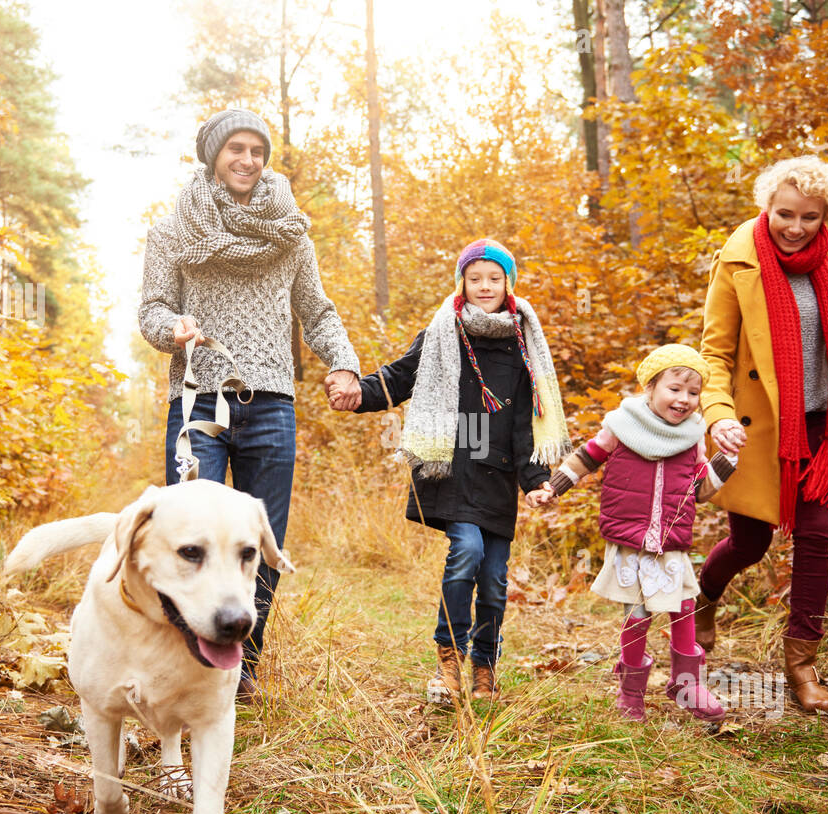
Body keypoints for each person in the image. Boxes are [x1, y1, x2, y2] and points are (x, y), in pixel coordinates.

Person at [138, 108, 362, 702]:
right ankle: (187, 662)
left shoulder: (290, 234)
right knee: (189, 532)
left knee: (260, 543)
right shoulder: (174, 231)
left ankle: (240, 669)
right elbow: (151, 311)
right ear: (213, 154)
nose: (247, 160)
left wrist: (344, 363)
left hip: (271, 407)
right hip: (198, 401)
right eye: (235, 148)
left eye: (257, 151)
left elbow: (317, 312)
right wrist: (175, 327)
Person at [331, 239, 570, 702]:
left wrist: (536, 480)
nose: (484, 286)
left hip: (498, 474)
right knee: (466, 551)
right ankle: (449, 660)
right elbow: (400, 378)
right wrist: (359, 393)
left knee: (496, 581)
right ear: (462, 282)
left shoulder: (523, 344)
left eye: (494, 278)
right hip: (454, 468)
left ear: (508, 284)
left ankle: (484, 665)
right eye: (474, 278)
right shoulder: (444, 331)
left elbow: (525, 422)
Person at [697, 155, 828, 712]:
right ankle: (702, 600)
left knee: (817, 538)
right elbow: (714, 353)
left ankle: (801, 667)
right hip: (760, 430)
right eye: (785, 213)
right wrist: (717, 414)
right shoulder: (736, 264)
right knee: (750, 544)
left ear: (826, 216)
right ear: (767, 207)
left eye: (809, 216)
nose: (795, 227)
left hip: (824, 428)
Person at [546, 344, 733, 723]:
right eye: (675, 389)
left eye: (693, 393)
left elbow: (698, 489)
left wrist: (725, 465)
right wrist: (554, 485)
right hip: (631, 537)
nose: (684, 400)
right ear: (651, 387)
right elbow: (588, 457)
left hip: (671, 538)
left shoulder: (695, 435)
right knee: (639, 613)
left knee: (683, 608)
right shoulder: (622, 426)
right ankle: (630, 690)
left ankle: (685, 683)